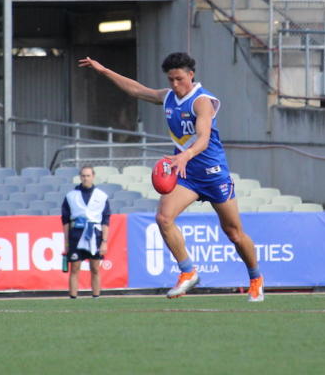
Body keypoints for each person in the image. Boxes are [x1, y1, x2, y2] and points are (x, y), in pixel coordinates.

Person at [78, 52, 265, 301]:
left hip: (212, 174)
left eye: (179, 79)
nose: (175, 85)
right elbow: (136, 90)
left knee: (234, 233)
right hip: (186, 175)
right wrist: (104, 71)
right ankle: (188, 272)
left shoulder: (202, 102)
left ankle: (255, 278)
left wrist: (186, 155)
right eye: (171, 80)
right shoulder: (167, 97)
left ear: (191, 75)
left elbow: (204, 137)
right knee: (164, 218)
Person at [61, 165, 111, 299]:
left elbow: (105, 220)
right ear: (80, 177)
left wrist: (104, 242)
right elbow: (65, 220)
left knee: (95, 268)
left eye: (88, 176)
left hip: (95, 234)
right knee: (75, 268)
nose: (85, 178)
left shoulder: (101, 196)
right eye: (83, 176)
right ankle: (73, 297)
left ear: (93, 177)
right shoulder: (71, 196)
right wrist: (66, 242)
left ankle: (96, 297)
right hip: (76, 235)